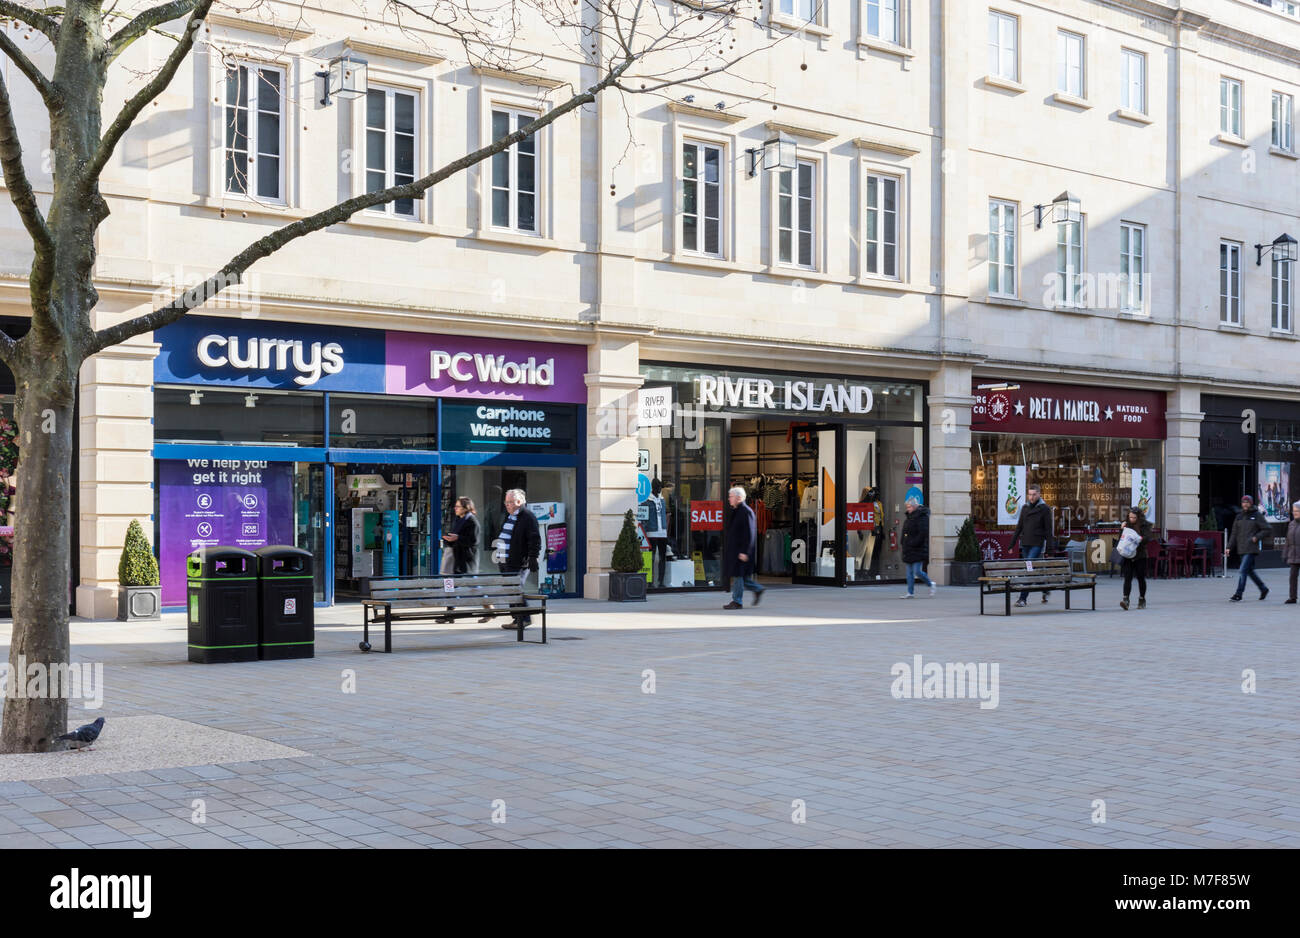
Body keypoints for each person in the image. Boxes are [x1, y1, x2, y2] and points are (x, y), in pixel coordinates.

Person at [491, 488, 541, 627]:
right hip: (505, 560)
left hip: (518, 561)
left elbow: (534, 539)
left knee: (515, 589)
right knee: (510, 589)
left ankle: (524, 619)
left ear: (519, 502)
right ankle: (517, 618)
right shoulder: (511, 516)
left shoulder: (527, 516)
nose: (507, 504)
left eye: (510, 502)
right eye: (506, 502)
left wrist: (533, 557)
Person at [1009, 483, 1052, 607]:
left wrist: (1049, 548)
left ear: (1039, 494)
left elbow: (1049, 530)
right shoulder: (1025, 508)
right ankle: (1045, 588)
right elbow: (1019, 527)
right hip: (1026, 543)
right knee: (1032, 570)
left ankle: (1022, 599)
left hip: (1037, 544)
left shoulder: (1044, 509)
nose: (1032, 497)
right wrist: (1012, 544)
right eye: (1030, 494)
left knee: (1029, 567)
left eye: (1034, 494)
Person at [723, 486, 765, 609]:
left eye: (731, 497)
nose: (729, 499)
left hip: (742, 551)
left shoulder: (746, 512)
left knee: (738, 575)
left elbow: (750, 534)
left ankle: (737, 601)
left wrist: (745, 552)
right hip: (737, 550)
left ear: (739, 498)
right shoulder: (737, 511)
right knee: (742, 577)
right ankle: (758, 589)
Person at [1229, 494, 1270, 602]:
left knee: (1242, 570)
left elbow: (1267, 529)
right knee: (1249, 571)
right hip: (1241, 548)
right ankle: (1263, 588)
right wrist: (1229, 547)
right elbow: (1234, 533)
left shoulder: (1256, 515)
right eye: (1243, 502)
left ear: (1251, 503)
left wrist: (1257, 537)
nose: (1245, 504)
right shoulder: (1239, 516)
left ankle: (1238, 593)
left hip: (1251, 548)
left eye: (1247, 502)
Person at [899, 497, 937, 598]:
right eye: (907, 507)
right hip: (909, 548)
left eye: (909, 507)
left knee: (917, 571)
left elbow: (923, 533)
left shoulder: (922, 516)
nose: (908, 509)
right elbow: (905, 531)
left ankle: (931, 584)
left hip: (917, 548)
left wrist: (913, 542)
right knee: (909, 572)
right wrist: (903, 542)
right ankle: (910, 592)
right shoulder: (909, 517)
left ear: (915, 506)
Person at [1118, 507, 1153, 610]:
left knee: (1141, 578)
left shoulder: (1145, 525)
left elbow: (1147, 538)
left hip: (1140, 555)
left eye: (1134, 517)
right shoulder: (1126, 524)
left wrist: (1139, 539)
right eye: (1130, 517)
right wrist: (1121, 529)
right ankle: (1126, 600)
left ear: (1139, 517)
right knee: (1127, 577)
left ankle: (1142, 599)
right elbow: (1121, 539)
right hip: (1128, 555)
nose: (1131, 519)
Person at [442, 496, 479, 575]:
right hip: (457, 561)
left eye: (458, 506)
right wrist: (449, 539)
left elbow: (474, 541)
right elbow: (455, 537)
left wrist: (457, 538)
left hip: (467, 562)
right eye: (455, 506)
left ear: (466, 508)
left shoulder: (472, 521)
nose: (455, 508)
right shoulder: (457, 520)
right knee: (457, 584)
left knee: (471, 585)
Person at [1285, 501, 1300, 604]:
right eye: (1294, 511)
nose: (1295, 513)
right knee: (1292, 576)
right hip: (1294, 555)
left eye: (1297, 511)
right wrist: (1285, 553)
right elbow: (1288, 540)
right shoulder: (1291, 524)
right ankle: (1292, 597)